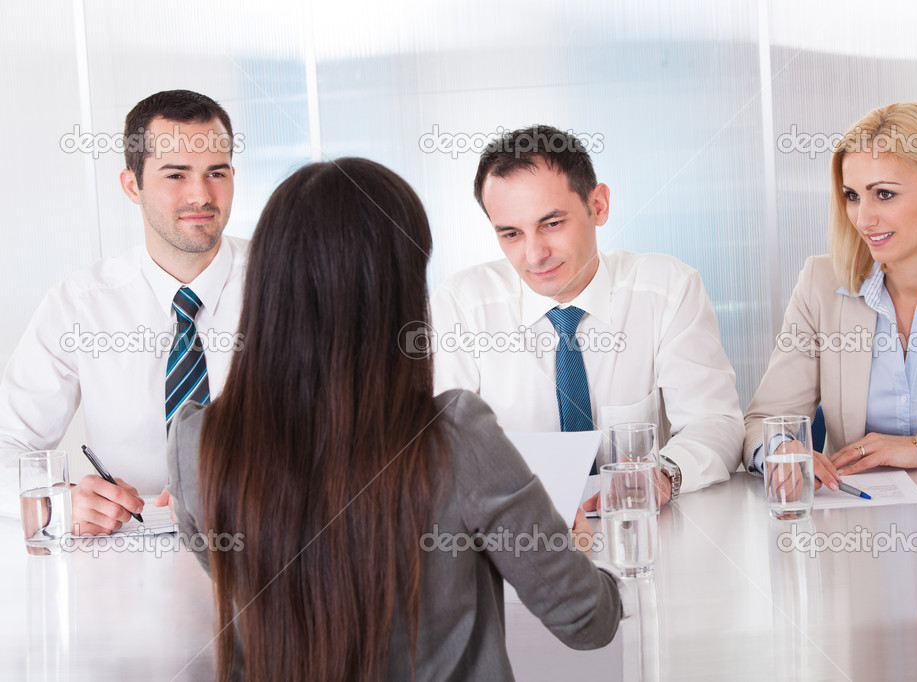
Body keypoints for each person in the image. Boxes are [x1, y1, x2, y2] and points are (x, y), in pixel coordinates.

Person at [166, 157, 622, 680]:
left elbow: (238, 581)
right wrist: (573, 548)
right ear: (395, 290)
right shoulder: (456, 435)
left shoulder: (195, 441)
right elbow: (588, 620)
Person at [430, 125, 744, 503]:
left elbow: (714, 421)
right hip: (517, 539)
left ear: (598, 206)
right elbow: (439, 448)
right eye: (511, 234)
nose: (534, 255)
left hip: (638, 527)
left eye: (552, 224)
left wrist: (663, 474)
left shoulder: (667, 290)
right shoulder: (462, 306)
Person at [0, 90, 247, 534]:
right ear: (133, 187)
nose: (201, 195)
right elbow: (7, 440)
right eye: (176, 174)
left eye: (217, 172)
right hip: (128, 560)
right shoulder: (79, 304)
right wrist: (59, 500)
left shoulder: (293, 282)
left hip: (271, 547)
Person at [744, 101, 917, 490]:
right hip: (855, 527)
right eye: (853, 195)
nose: (863, 219)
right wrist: (781, 449)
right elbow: (763, 421)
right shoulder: (821, 286)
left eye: (885, 195)